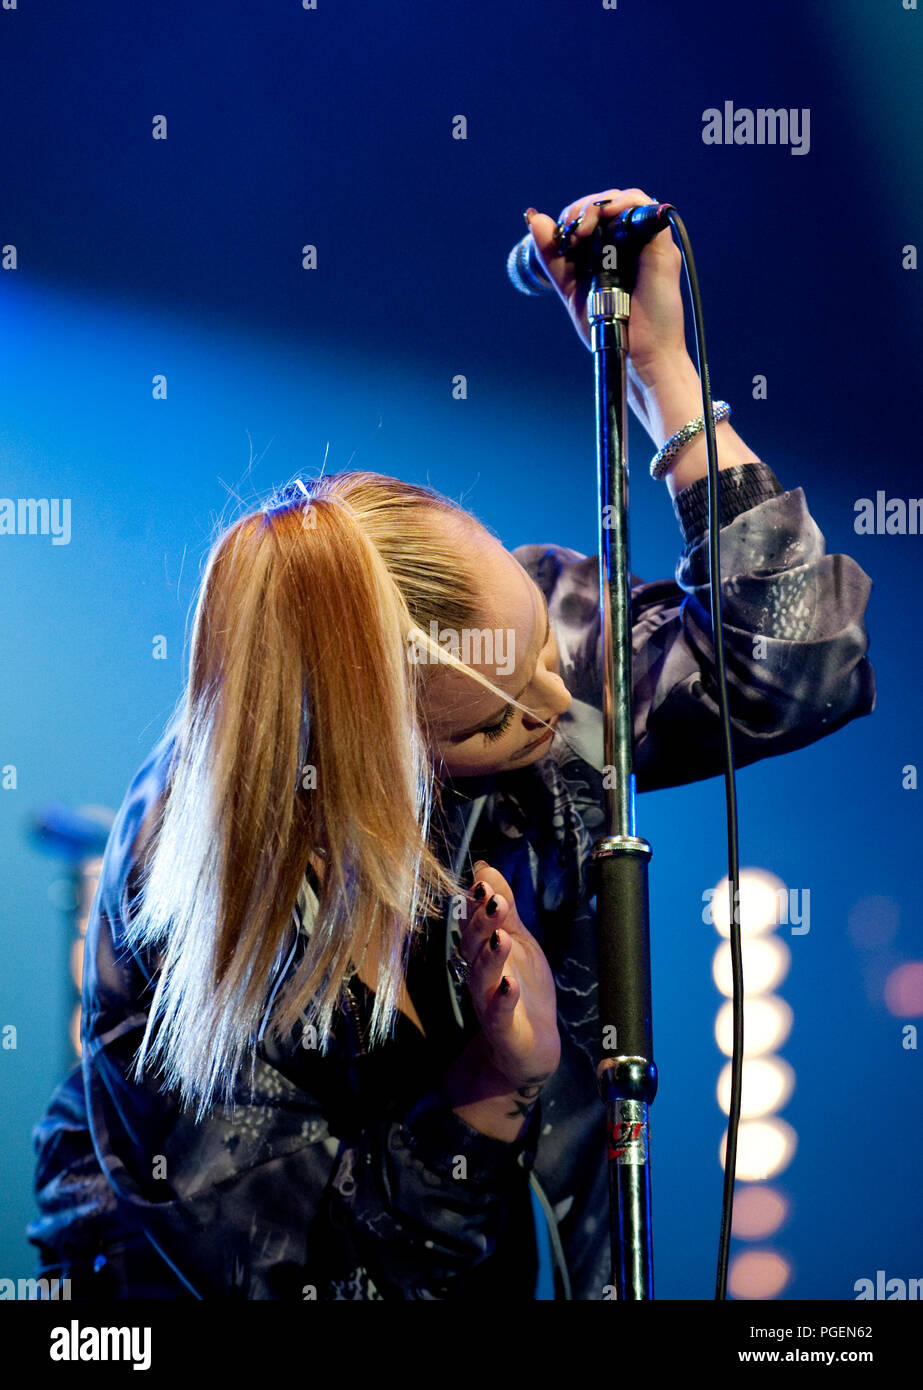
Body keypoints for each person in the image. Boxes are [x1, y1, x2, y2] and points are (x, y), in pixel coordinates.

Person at [27, 187, 875, 1300]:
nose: (553, 705)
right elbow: (302, 1283)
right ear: (369, 754)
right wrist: (482, 1093)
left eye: (538, 654)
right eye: (487, 722)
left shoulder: (505, 639)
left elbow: (794, 665)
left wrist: (660, 381)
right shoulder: (195, 898)